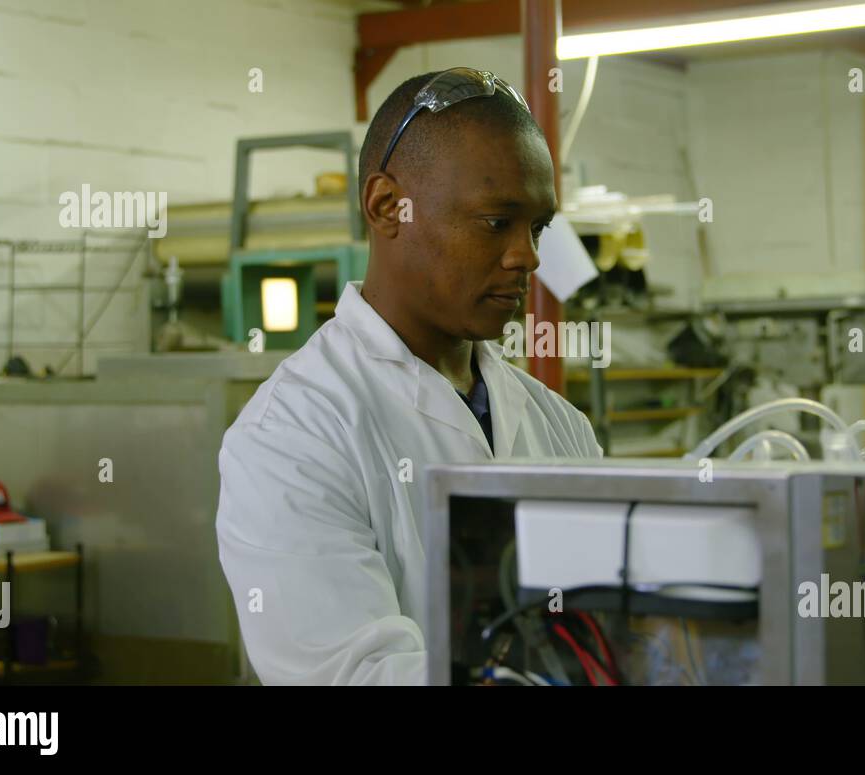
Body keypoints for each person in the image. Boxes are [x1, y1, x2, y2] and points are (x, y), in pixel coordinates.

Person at [216, 68, 602, 685]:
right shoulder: (290, 436)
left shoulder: (559, 425)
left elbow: (605, 629)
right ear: (386, 206)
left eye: (537, 228)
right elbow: (353, 673)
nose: (527, 256)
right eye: (496, 222)